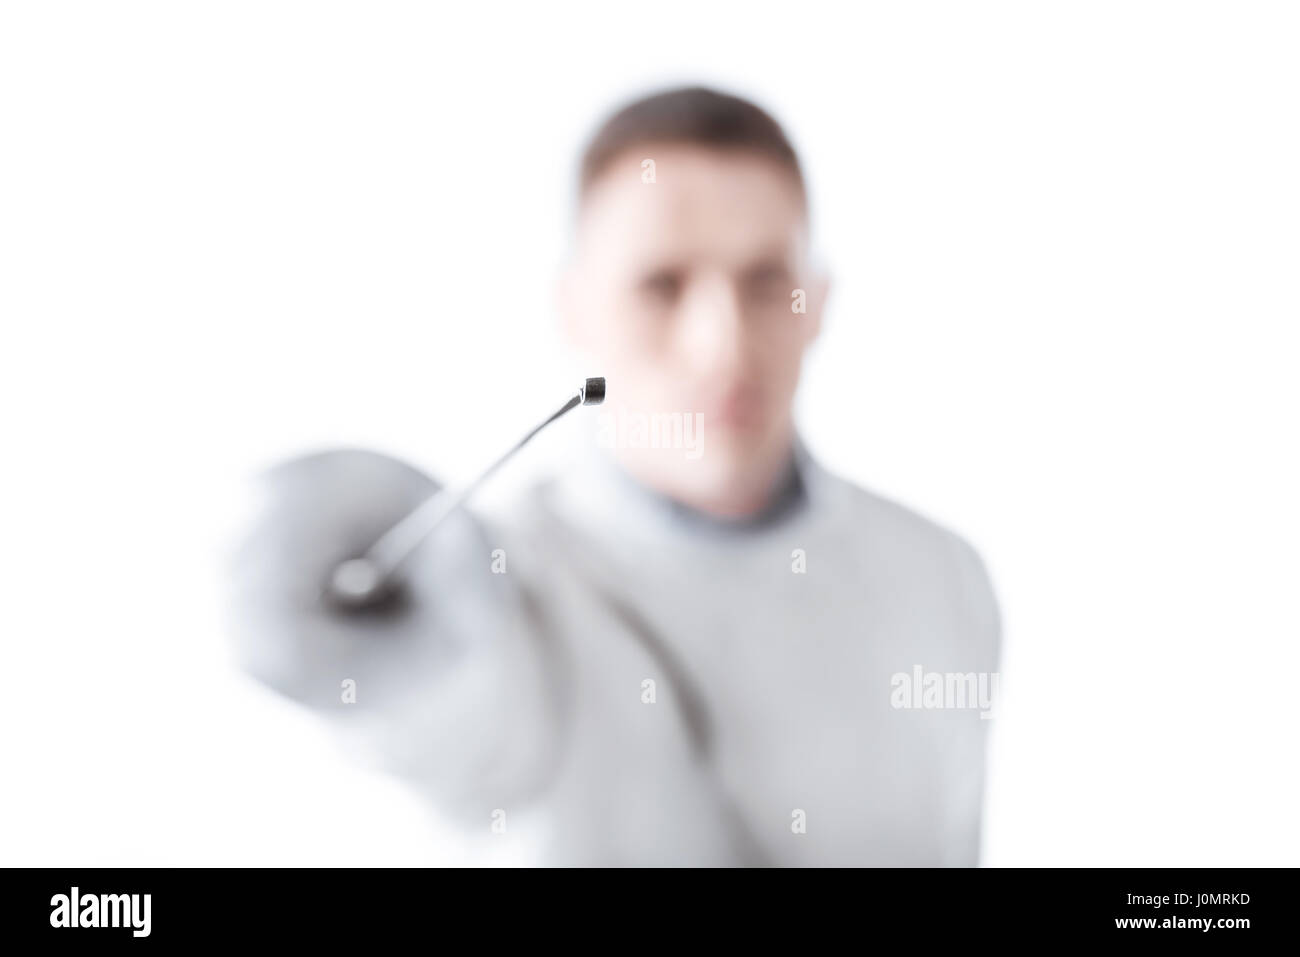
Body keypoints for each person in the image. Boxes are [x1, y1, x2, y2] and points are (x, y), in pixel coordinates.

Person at [227, 86, 1002, 866]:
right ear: (575, 308)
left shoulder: (943, 575)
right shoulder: (496, 595)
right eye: (661, 286)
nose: (721, 343)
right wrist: (350, 627)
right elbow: (450, 724)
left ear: (818, 303)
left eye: (766, 282)